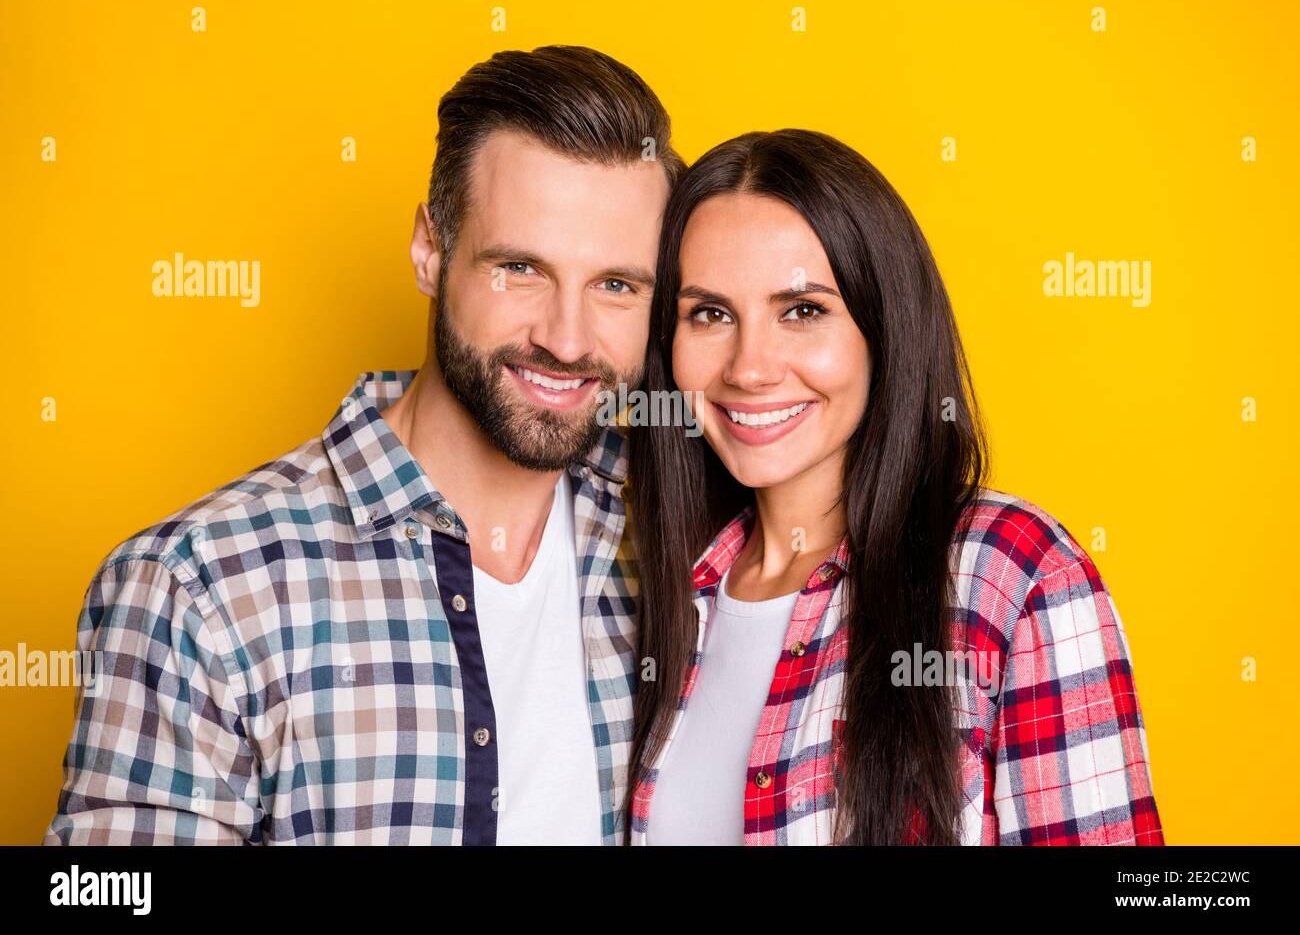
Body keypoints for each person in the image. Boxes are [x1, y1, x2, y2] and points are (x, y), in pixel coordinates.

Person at [45, 45, 682, 845]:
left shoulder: (689, 537)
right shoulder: (197, 593)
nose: (566, 337)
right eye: (519, 268)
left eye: (616, 285)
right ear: (430, 248)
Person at [626, 129, 1164, 845]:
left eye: (803, 310)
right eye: (711, 314)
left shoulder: (1012, 576)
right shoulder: (663, 589)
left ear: (884, 329)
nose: (748, 368)